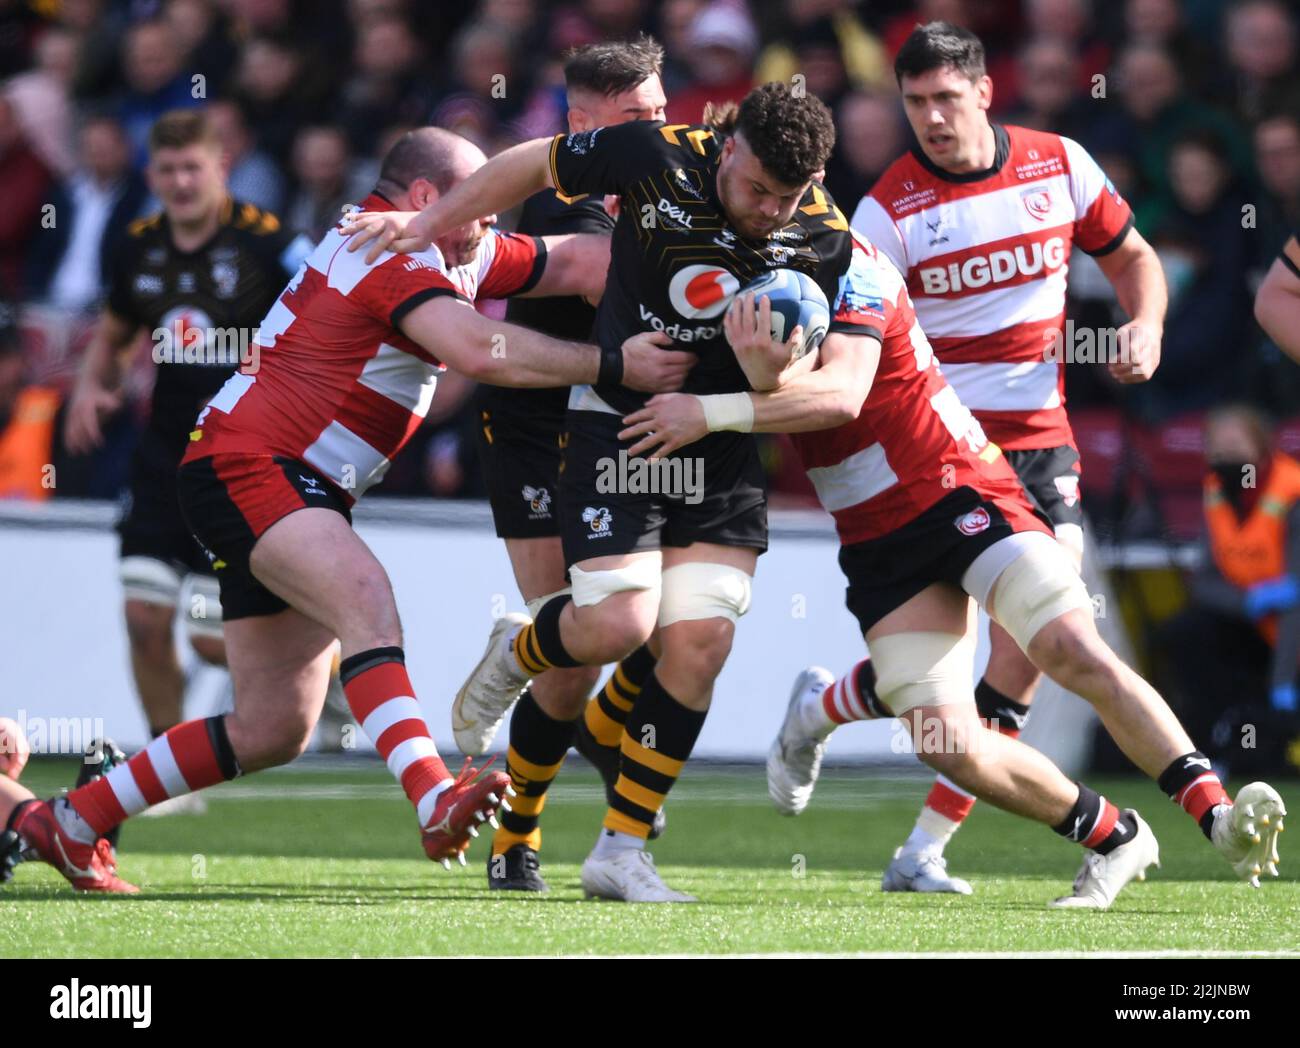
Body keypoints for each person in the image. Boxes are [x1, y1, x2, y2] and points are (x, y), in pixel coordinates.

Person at [8, 125, 692, 893]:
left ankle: (70, 821)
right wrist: (612, 364)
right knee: (367, 602)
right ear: (431, 198)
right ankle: (435, 798)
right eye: (485, 204)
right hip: (255, 462)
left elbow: (574, 259)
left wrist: (687, 238)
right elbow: (475, 350)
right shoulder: (389, 248)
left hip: (278, 474)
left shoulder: (451, 244)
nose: (496, 222)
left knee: (273, 727)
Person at [619, 210, 1285, 909]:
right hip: (878, 537)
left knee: (1067, 645)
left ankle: (1218, 818)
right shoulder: (719, 277)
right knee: (948, 740)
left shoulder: (858, 261)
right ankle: (1117, 837)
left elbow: (837, 396)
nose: (772, 209)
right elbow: (778, 393)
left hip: (956, 486)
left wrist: (716, 406)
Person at [346, 82, 859, 903]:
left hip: (718, 449)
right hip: (618, 428)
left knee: (700, 644)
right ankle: (520, 651)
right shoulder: (654, 155)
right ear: (730, 149)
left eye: (787, 196)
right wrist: (426, 224)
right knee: (619, 626)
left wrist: (765, 374)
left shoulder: (826, 240)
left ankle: (619, 852)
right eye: (759, 188)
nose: (769, 210)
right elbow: (527, 164)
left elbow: (808, 381)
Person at [784, 20, 1168, 893]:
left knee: (1035, 643)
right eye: (913, 101)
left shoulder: (1059, 164)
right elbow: (857, 339)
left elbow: (1134, 256)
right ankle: (856, 745)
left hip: (1038, 446)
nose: (930, 117)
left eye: (945, 98)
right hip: (944, 458)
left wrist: (1143, 325)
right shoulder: (886, 209)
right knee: (960, 671)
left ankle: (897, 811)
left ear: (984, 92)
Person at [63, 110, 314, 800]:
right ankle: (170, 781)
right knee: (144, 619)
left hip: (245, 463)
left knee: (210, 638)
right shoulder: (139, 248)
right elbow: (113, 334)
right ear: (152, 176)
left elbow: (331, 312)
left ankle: (331, 664)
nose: (179, 182)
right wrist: (92, 386)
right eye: (167, 170)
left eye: (191, 168)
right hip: (162, 459)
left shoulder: (273, 246)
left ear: (220, 168)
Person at [472, 36, 670, 893]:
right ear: (582, 127)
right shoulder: (568, 200)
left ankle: (571, 709)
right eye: (636, 121)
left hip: (622, 423)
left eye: (663, 113)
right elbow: (600, 280)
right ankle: (516, 833)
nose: (657, 133)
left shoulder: (660, 185)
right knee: (580, 643)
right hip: (535, 429)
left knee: (658, 626)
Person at [1156, 406, 1300, 774]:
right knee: (1185, 633)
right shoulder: (1216, 493)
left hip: (1291, 627)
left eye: (1235, 447)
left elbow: (1294, 599)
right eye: (1217, 451)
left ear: (1260, 446)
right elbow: (1204, 580)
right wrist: (1248, 601)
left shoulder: (1292, 490)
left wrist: (1282, 684)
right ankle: (1210, 750)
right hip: (1248, 618)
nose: (1226, 458)